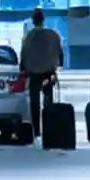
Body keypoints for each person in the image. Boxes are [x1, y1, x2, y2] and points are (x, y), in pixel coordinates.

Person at [19, 7, 64, 138]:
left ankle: (36, 130)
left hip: (34, 73)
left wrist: (23, 68)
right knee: (48, 99)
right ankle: (49, 126)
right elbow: (60, 53)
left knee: (34, 103)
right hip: (48, 73)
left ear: (33, 21)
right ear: (43, 20)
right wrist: (59, 65)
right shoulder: (53, 34)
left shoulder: (29, 36)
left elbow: (24, 54)